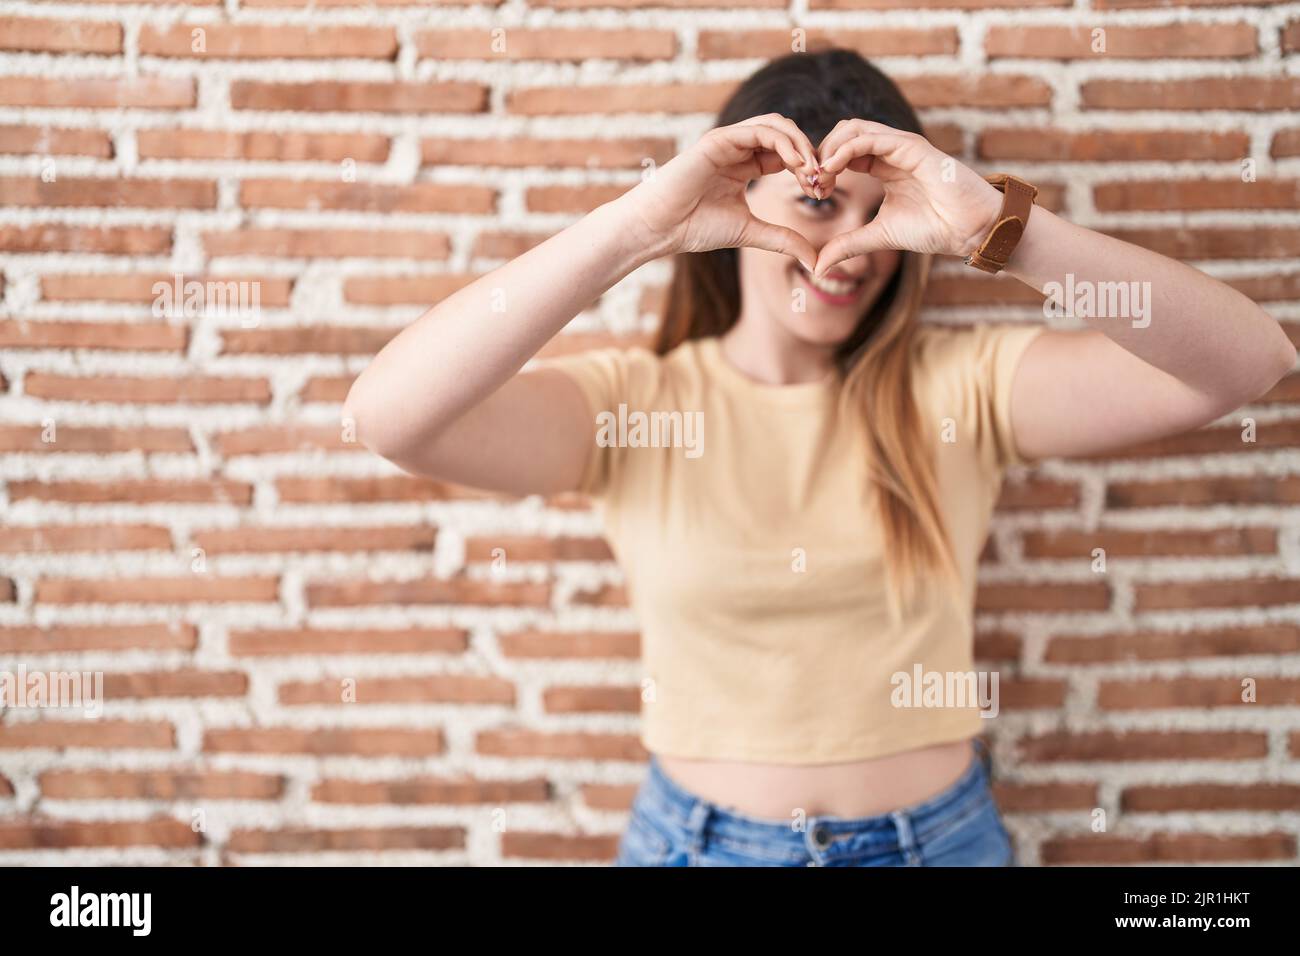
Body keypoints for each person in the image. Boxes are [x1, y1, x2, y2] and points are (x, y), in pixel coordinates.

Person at [343, 48, 1295, 866]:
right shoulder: (636, 404)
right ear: (730, 201)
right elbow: (392, 416)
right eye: (820, 202)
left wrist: (994, 225)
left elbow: (1251, 362)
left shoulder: (955, 387)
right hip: (699, 843)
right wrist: (639, 227)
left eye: (879, 215)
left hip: (941, 840)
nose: (853, 243)